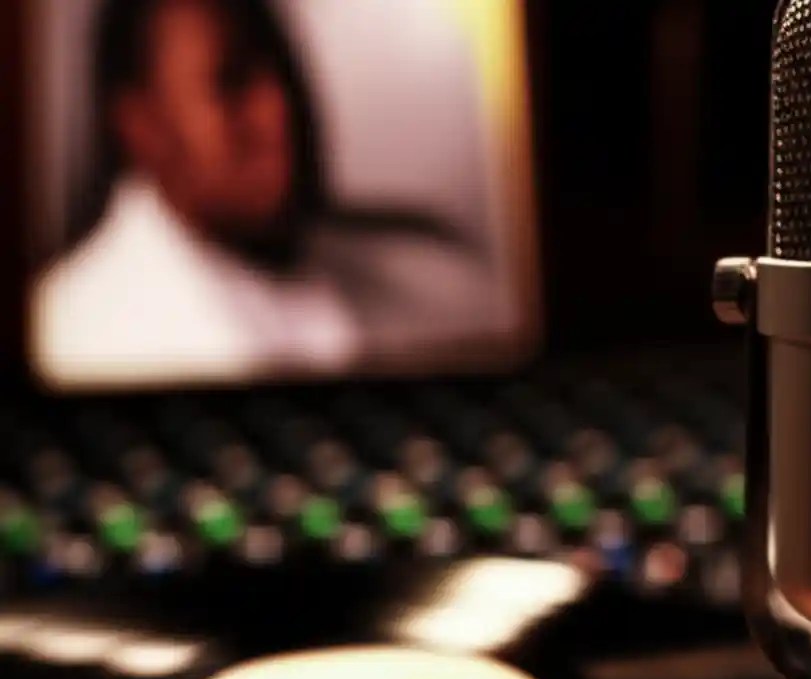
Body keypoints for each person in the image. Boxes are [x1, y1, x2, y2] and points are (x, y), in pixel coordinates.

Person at [33, 0, 508, 388]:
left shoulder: (421, 275)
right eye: (231, 83)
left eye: (279, 71)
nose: (277, 113)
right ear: (141, 125)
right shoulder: (76, 334)